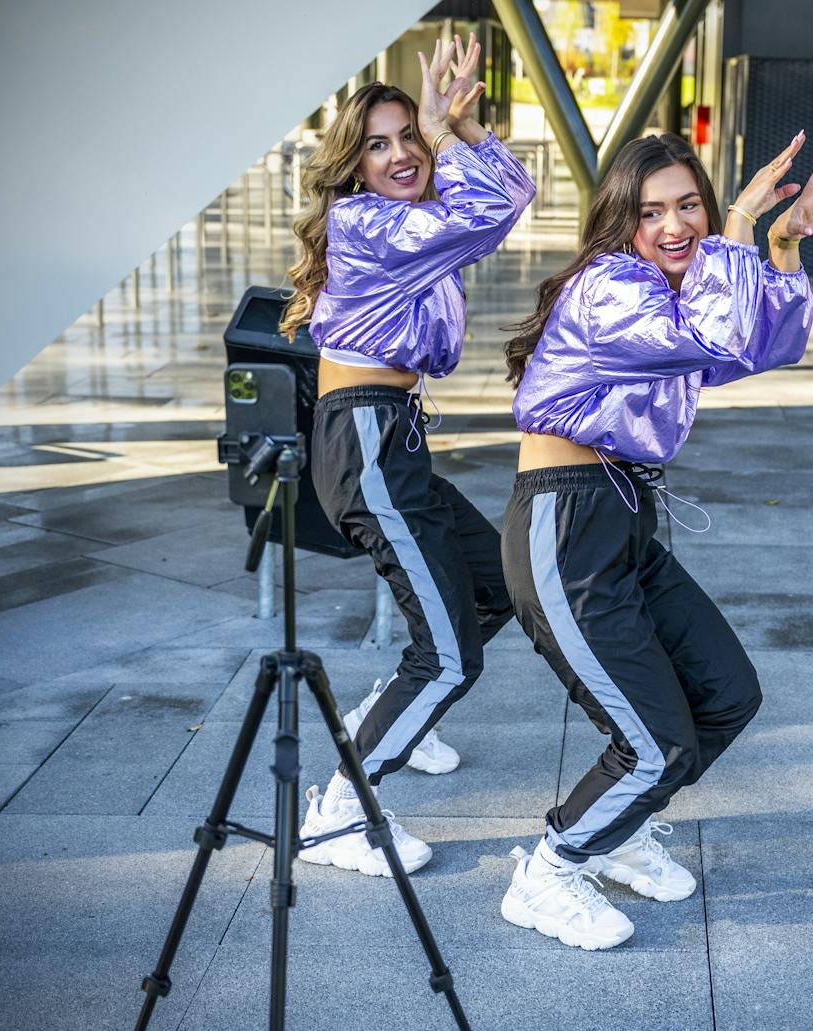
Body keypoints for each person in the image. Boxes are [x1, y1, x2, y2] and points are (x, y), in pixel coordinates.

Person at [496, 131, 813, 948]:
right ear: (621, 221)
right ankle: (549, 870)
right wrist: (743, 222)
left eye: (690, 205)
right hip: (564, 523)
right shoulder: (612, 285)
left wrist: (782, 248)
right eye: (651, 212)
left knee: (726, 693)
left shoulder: (676, 295)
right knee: (653, 743)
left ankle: (616, 833)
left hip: (620, 519)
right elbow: (717, 334)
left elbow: (765, 343)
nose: (675, 225)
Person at [277, 34, 534, 877]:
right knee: (452, 652)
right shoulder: (369, 224)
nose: (398, 155)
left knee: (494, 585)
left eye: (407, 139)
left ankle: (391, 715)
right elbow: (488, 211)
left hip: (392, 439)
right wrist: (444, 133)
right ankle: (343, 812)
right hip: (366, 443)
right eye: (378, 143)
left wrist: (459, 126)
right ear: (352, 166)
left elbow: (505, 198)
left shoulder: (411, 228)